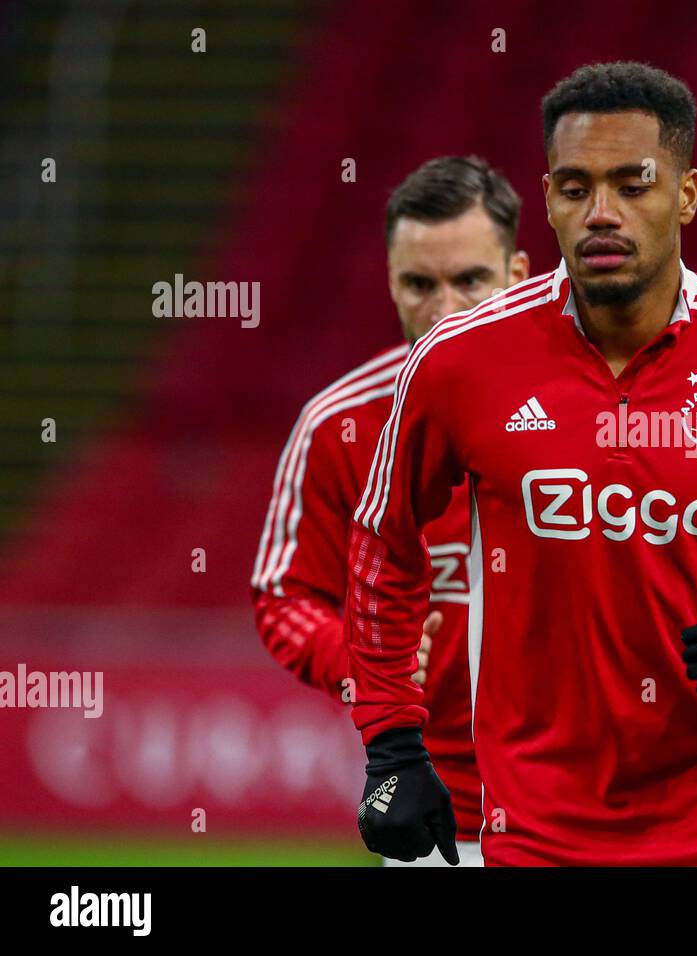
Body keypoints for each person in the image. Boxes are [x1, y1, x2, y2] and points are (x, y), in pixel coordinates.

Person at [348, 62, 697, 866]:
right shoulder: (459, 361)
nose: (601, 213)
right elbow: (382, 545)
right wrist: (392, 746)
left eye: (633, 185)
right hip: (538, 825)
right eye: (575, 188)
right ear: (548, 199)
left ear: (686, 194)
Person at [251, 156, 529, 867]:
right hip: (439, 817)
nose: (444, 310)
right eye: (420, 284)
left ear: (518, 275)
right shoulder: (338, 426)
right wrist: (359, 661)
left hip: (599, 809)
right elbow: (284, 596)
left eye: (470, 280)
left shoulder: (595, 410)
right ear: (390, 283)